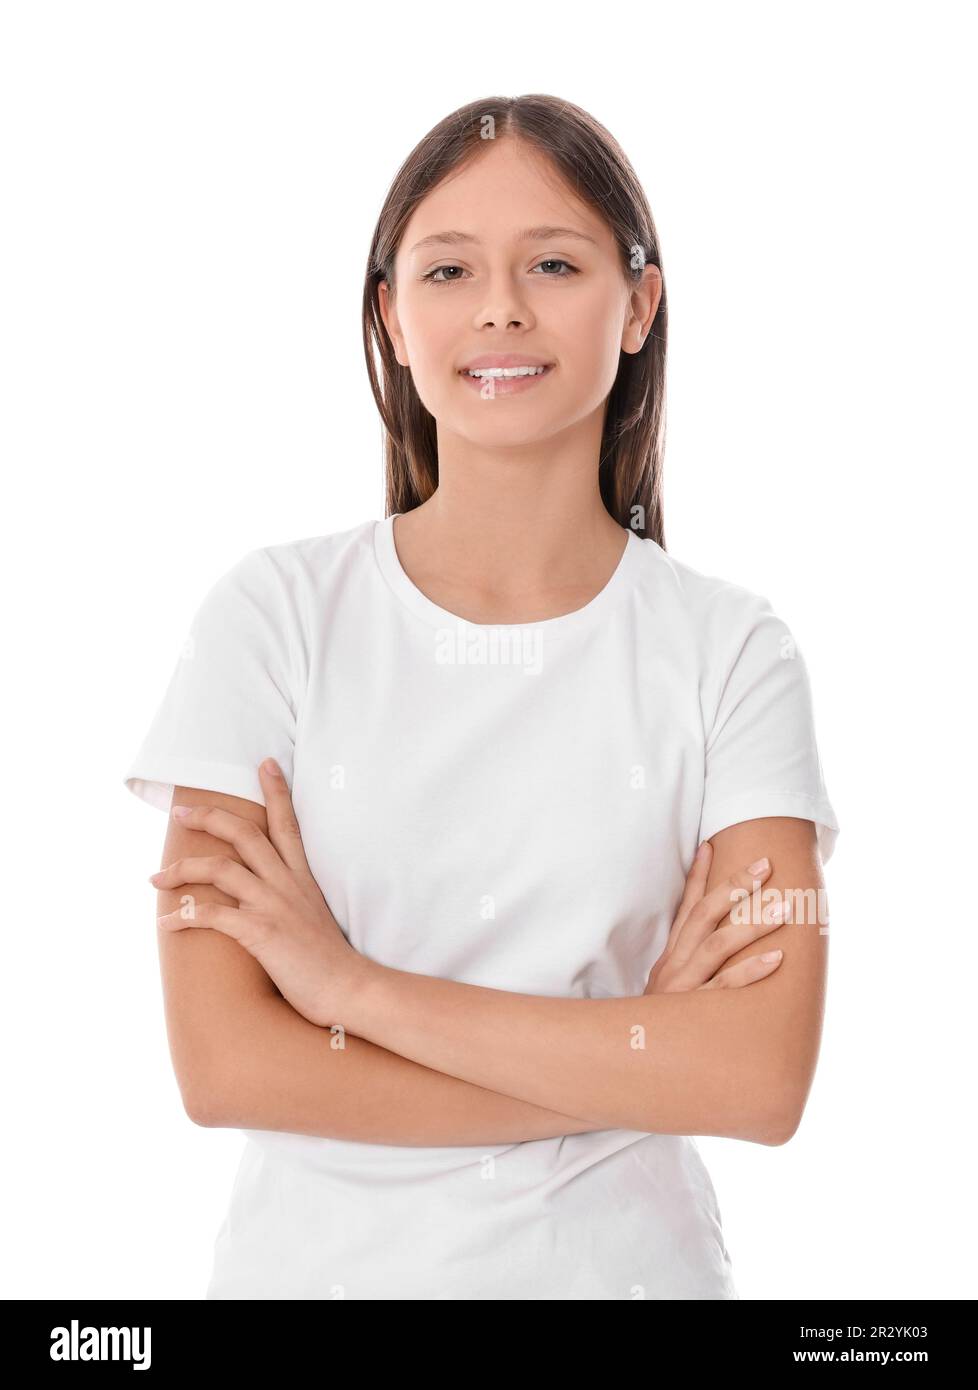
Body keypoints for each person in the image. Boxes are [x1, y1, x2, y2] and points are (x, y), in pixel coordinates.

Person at [123, 94, 839, 1300]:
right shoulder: (272, 620)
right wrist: (630, 1060)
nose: (500, 305)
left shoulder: (731, 652)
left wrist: (348, 990)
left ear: (640, 304)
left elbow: (757, 1081)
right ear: (392, 318)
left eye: (553, 262)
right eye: (449, 268)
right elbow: (227, 1063)